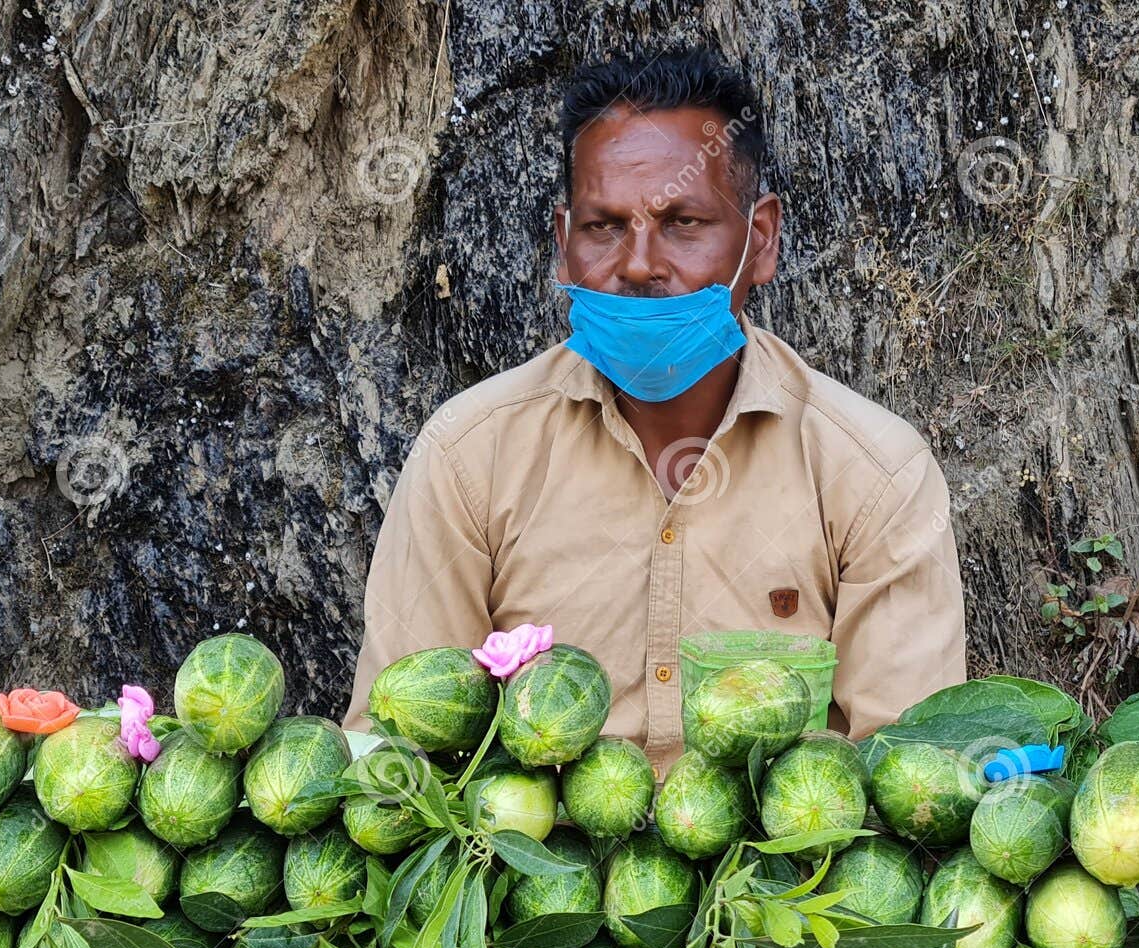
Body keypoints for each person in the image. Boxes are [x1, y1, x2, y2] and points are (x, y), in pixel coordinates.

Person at [348, 47, 965, 774]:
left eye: (683, 222)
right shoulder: (469, 455)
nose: (639, 264)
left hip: (785, 885)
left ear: (759, 241)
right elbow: (400, 743)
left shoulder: (873, 472)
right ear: (562, 244)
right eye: (604, 226)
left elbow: (912, 774)